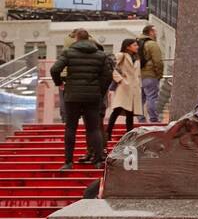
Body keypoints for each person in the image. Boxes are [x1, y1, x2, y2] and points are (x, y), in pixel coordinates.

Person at [50, 28, 113, 169]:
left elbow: (54, 69)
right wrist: (99, 90)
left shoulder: (68, 53)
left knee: (71, 128)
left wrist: (59, 83)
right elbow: (108, 76)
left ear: (77, 38)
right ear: (89, 39)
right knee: (93, 129)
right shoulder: (100, 55)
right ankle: (97, 161)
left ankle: (68, 162)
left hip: (72, 96)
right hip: (92, 96)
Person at [105, 38, 141, 137]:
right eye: (134, 45)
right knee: (117, 110)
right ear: (127, 46)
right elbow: (111, 68)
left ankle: (129, 134)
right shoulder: (121, 55)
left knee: (130, 113)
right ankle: (108, 132)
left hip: (134, 88)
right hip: (123, 87)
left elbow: (137, 74)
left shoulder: (137, 58)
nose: (137, 47)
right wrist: (120, 80)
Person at [138, 25, 163, 123]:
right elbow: (158, 61)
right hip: (150, 74)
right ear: (151, 32)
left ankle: (140, 119)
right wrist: (159, 75)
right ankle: (153, 118)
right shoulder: (152, 44)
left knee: (141, 98)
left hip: (138, 75)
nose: (156, 33)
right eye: (155, 31)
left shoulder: (136, 43)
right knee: (152, 97)